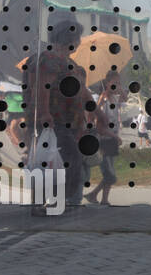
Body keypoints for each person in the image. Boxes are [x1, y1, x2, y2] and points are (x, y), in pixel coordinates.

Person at [25, 20, 92, 209]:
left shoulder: (68, 63)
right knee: (65, 160)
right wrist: (45, 114)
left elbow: (83, 92)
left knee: (58, 161)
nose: (79, 42)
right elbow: (42, 87)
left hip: (66, 122)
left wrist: (98, 114)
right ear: (68, 38)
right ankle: (52, 202)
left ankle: (52, 202)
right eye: (77, 37)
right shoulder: (49, 59)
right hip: (55, 122)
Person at [85, 69, 125, 206]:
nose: (117, 86)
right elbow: (100, 127)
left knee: (110, 171)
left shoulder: (114, 98)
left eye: (119, 83)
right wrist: (115, 136)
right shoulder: (102, 99)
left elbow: (124, 98)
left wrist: (121, 89)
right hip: (104, 140)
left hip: (112, 139)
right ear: (107, 83)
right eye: (114, 83)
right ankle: (95, 194)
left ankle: (101, 198)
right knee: (110, 174)